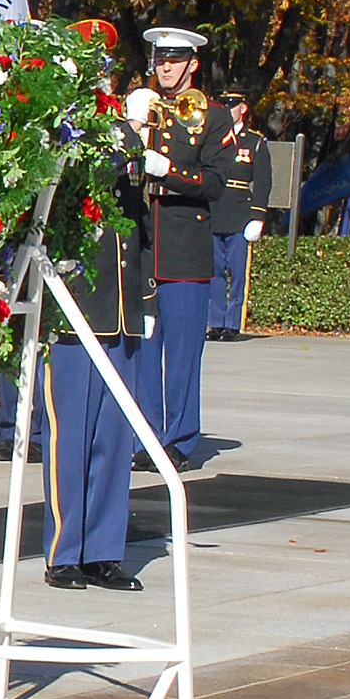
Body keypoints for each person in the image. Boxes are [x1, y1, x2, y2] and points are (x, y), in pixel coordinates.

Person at [41, 19, 153, 591]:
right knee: (71, 434)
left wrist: (148, 295)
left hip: (122, 306)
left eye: (106, 68)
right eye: (93, 69)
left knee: (114, 435)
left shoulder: (125, 135)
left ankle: (105, 548)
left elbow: (139, 223)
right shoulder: (61, 129)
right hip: (77, 305)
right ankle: (65, 548)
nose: (101, 79)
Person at [125, 27, 232, 473]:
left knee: (183, 352)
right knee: (144, 350)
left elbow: (215, 184)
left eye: (173, 60)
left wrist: (166, 171)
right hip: (143, 245)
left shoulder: (213, 117)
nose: (164, 68)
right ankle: (145, 435)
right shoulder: (141, 107)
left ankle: (181, 439)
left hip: (186, 246)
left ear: (192, 64)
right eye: (160, 59)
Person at [206, 89, 271, 341]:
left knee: (236, 272)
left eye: (231, 105)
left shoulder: (254, 141)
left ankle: (233, 323)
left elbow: (263, 181)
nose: (226, 110)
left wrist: (259, 216)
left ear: (243, 108)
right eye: (223, 105)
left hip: (239, 214)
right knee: (214, 271)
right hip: (215, 209)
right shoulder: (214, 139)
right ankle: (216, 323)